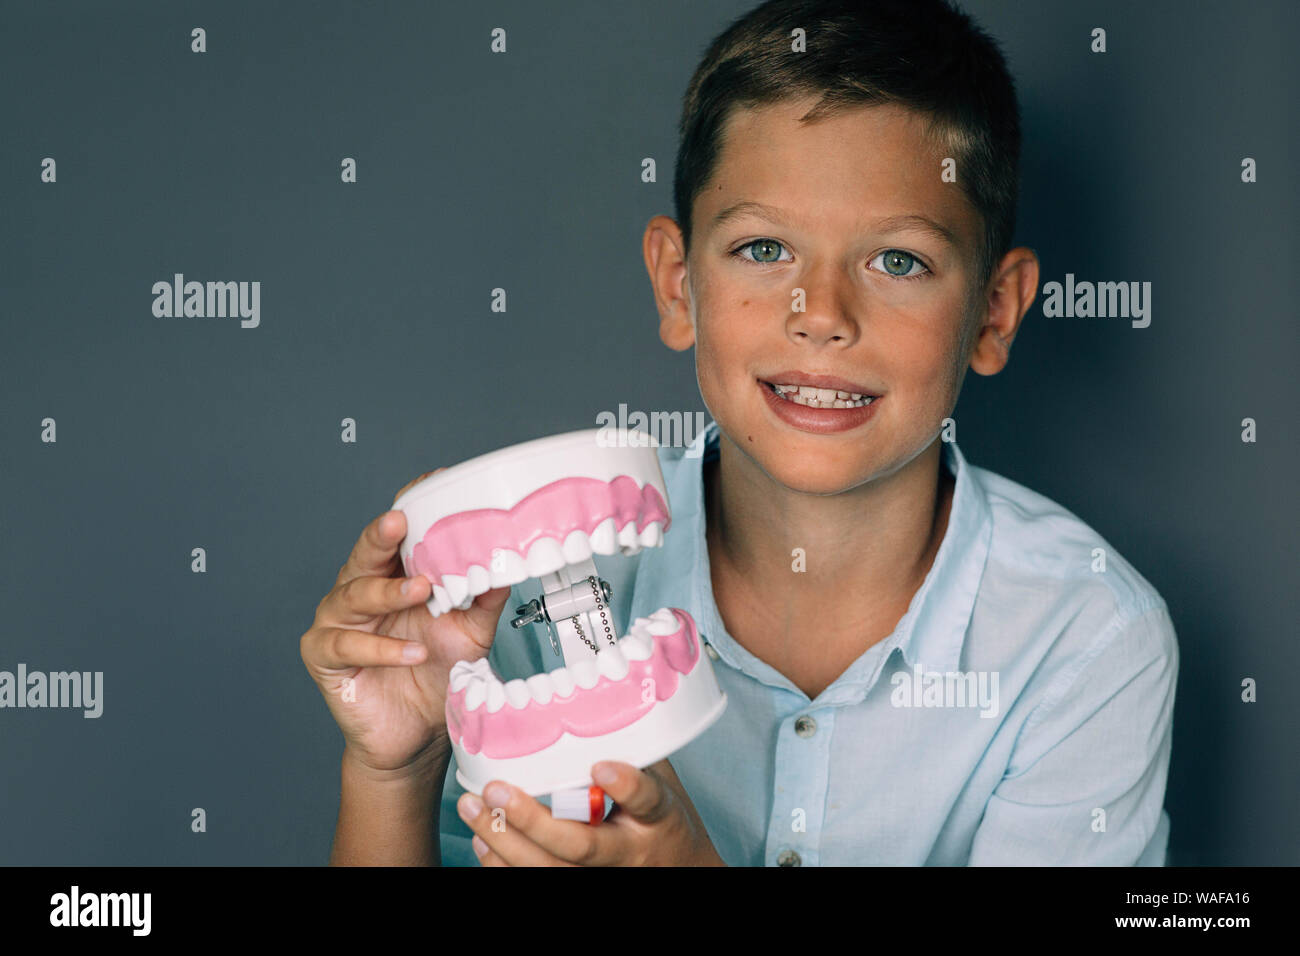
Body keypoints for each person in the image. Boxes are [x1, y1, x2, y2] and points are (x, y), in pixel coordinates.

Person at [301, 0, 1178, 866]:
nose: (821, 315)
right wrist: (395, 770)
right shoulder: (539, 593)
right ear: (679, 286)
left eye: (897, 261)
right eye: (764, 250)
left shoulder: (1087, 638)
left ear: (994, 312)